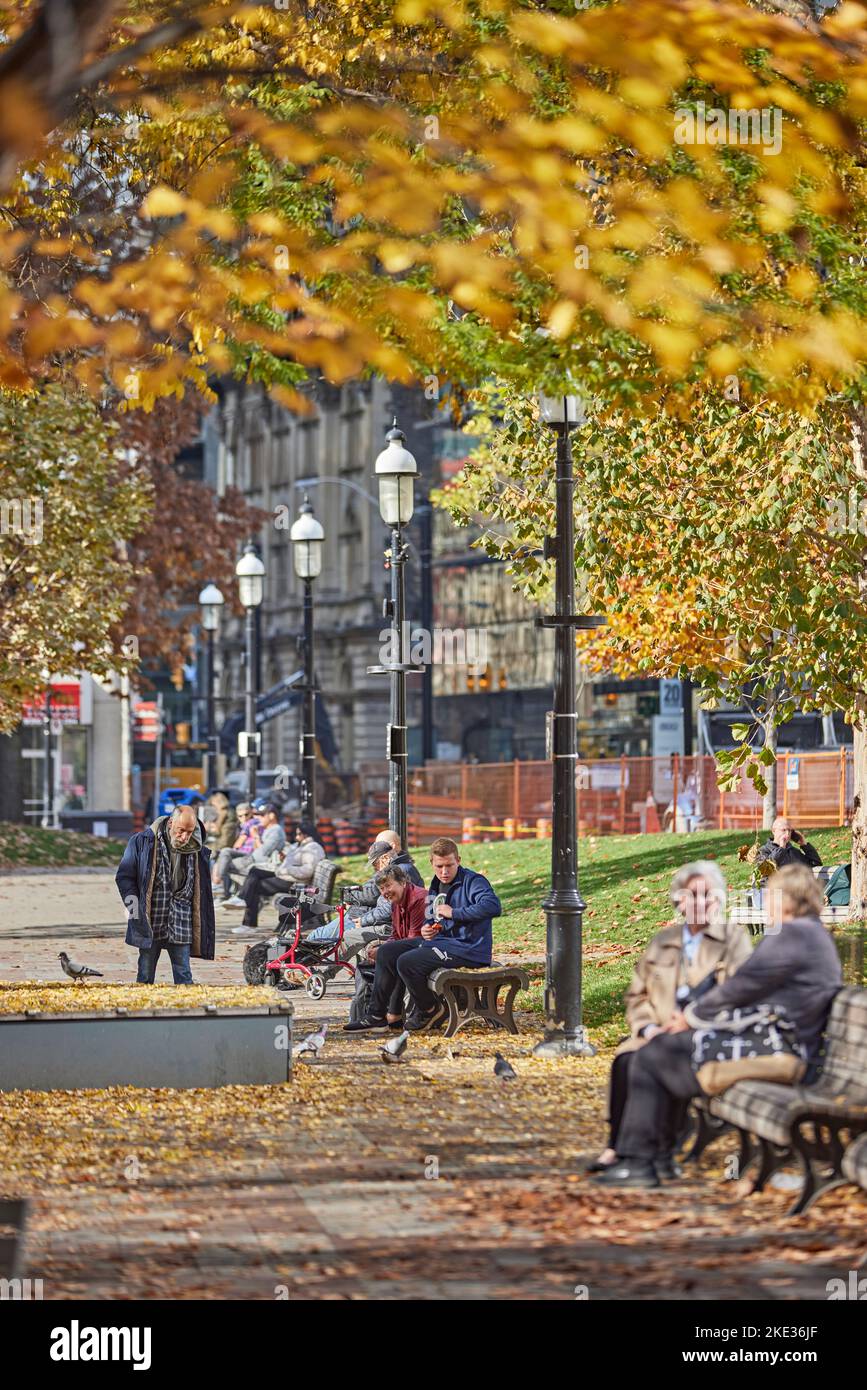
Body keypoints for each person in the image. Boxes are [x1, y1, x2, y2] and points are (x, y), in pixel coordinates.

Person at [591, 864, 843, 1189]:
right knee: (654, 1053)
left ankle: (640, 1162)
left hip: (781, 1049)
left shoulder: (793, 934)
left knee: (656, 1056)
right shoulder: (807, 932)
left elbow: (740, 985)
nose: (765, 902)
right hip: (780, 1041)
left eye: (769, 895)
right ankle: (648, 1158)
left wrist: (690, 1019)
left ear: (786, 899)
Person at [588, 861, 752, 1176]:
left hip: (703, 1034)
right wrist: (648, 1028)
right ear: (679, 900)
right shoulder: (663, 941)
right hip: (658, 1030)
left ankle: (654, 1153)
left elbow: (737, 992)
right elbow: (637, 995)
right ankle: (617, 1147)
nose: (700, 902)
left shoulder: (733, 938)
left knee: (646, 1062)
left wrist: (690, 1020)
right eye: (692, 895)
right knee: (626, 1058)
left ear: (717, 899)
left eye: (707, 895)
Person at [345, 837, 502, 1034]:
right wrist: (430, 927)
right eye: (439, 866)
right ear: (432, 864)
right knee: (386, 952)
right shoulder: (436, 884)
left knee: (406, 962)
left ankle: (430, 1009)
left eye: (449, 866)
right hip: (444, 942)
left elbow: (493, 907)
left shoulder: (474, 881)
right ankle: (376, 1017)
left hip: (468, 948)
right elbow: (433, 917)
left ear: (458, 861)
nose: (444, 872)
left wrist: (454, 913)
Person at [115, 803, 215, 985]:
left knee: (184, 976)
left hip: (181, 921)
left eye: (190, 831)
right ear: (170, 823)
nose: (185, 837)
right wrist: (134, 909)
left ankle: (189, 1012)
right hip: (150, 921)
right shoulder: (142, 842)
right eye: (181, 830)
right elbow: (124, 878)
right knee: (145, 976)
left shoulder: (199, 851)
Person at [306, 829, 423, 958]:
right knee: (322, 935)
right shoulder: (394, 869)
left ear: (387, 854)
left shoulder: (398, 871)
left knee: (322, 936)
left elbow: (385, 906)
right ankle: (305, 966)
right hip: (371, 918)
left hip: (379, 923)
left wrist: (362, 919)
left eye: (375, 863)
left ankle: (304, 967)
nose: (375, 867)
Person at [346, 863, 428, 1029]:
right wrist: (382, 947)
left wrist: (385, 949)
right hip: (412, 948)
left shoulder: (419, 898)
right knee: (386, 955)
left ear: (403, 882)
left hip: (430, 948)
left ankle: (377, 1014)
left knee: (391, 956)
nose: (385, 892)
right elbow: (397, 935)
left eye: (389, 885)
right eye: (382, 888)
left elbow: (415, 938)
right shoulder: (396, 903)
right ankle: (392, 1015)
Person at [230, 819, 324, 935]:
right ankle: (242, 900)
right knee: (254, 871)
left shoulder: (312, 848)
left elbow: (307, 871)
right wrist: (285, 860)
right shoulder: (304, 846)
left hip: (293, 882)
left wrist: (288, 868)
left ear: (306, 834)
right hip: (286, 877)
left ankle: (247, 918)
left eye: (299, 833)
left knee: (254, 886)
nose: (296, 836)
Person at [222, 802, 286, 907]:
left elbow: (263, 853)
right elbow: (258, 849)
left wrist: (255, 836)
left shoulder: (276, 830)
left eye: (262, 815)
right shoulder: (267, 829)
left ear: (271, 815)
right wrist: (256, 836)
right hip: (255, 860)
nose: (258, 818)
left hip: (263, 864)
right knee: (225, 861)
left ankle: (238, 895)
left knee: (229, 864)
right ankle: (239, 895)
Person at [211, 801, 257, 900]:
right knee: (221, 858)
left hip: (248, 853)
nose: (244, 818)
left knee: (225, 852)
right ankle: (224, 891)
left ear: (251, 813)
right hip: (244, 852)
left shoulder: (250, 823)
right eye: (240, 816)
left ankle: (219, 883)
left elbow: (238, 843)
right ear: (237, 816)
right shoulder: (240, 825)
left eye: (246, 814)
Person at [756, 816, 822, 871]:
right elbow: (767, 868)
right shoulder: (763, 851)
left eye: (789, 830)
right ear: (774, 831)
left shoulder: (793, 851)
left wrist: (804, 844)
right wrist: (781, 848)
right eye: (783, 830)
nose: (787, 834)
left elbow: (815, 863)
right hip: (773, 886)